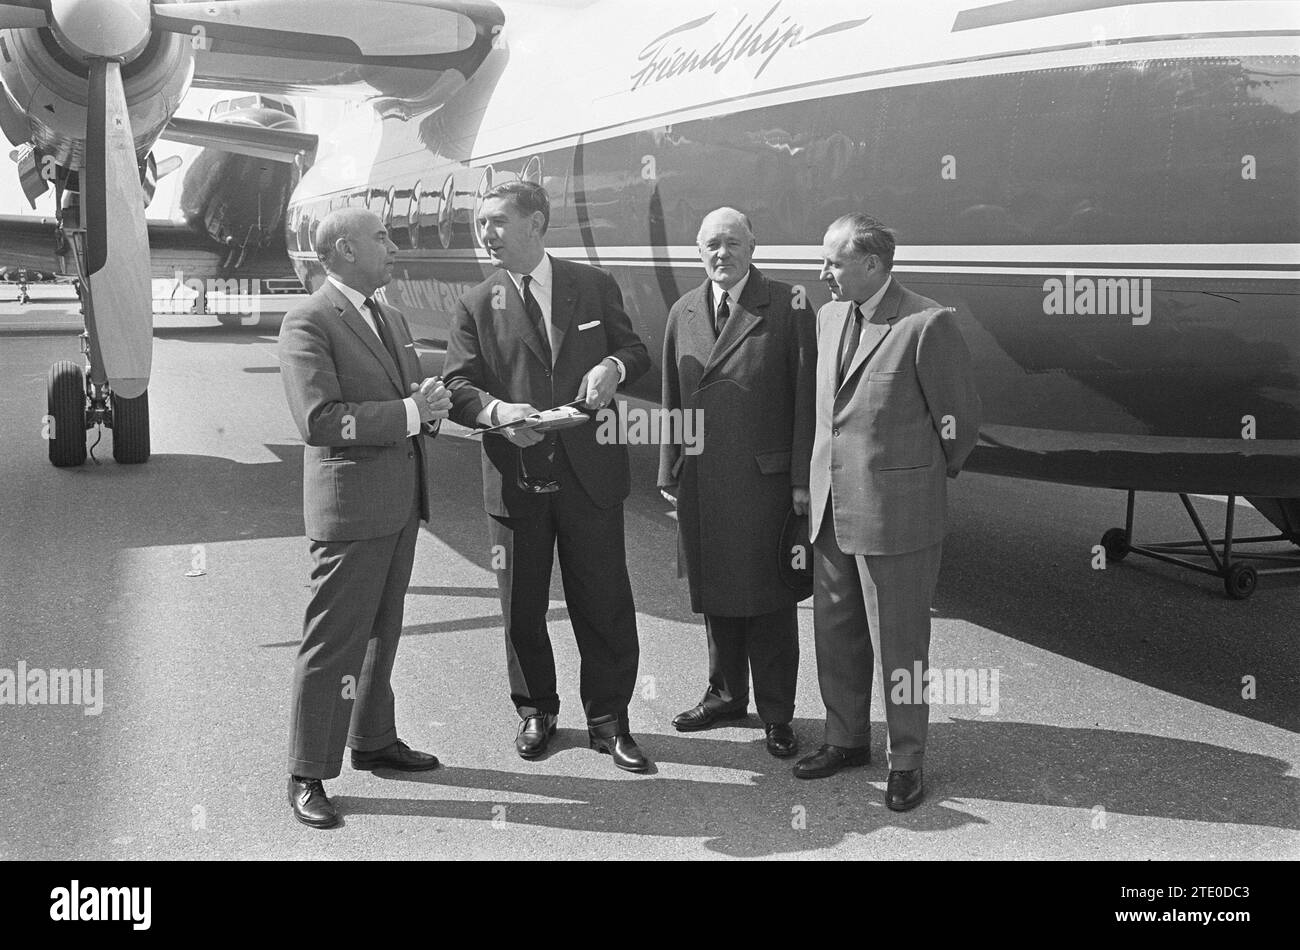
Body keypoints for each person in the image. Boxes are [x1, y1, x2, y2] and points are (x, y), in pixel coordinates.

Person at [443, 181, 653, 772]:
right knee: (522, 606)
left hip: (589, 478)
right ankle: (536, 710)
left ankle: (610, 720)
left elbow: (636, 351)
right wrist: (496, 413)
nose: (486, 234)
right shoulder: (476, 303)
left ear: (537, 224)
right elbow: (459, 386)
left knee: (603, 601)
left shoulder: (593, 285)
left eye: (497, 221)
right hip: (516, 479)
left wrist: (613, 366)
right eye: (482, 224)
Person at [797, 212, 981, 811]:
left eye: (833, 262)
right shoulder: (828, 318)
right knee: (836, 634)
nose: (821, 272)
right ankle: (846, 739)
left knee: (901, 643)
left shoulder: (926, 323)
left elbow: (960, 425)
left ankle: (908, 759)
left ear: (871, 264)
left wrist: (919, 480)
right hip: (831, 508)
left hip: (898, 514)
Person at [278, 207, 450, 828]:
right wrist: (408, 412)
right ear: (345, 250)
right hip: (351, 509)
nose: (393, 244)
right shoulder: (308, 320)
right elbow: (320, 421)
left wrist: (427, 408)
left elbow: (410, 403)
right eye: (382, 237)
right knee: (332, 644)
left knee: (383, 630)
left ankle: (373, 736)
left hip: (399, 502)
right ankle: (307, 772)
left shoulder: (391, 315)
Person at [658, 207, 815, 758]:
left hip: (766, 481)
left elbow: (807, 399)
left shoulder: (790, 305)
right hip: (703, 478)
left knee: (771, 598)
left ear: (753, 244)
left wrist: (802, 479)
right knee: (718, 591)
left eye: (730, 242)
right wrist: (669, 468)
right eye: (709, 246)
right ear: (698, 252)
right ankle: (725, 695)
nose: (720, 254)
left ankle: (777, 713)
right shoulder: (683, 310)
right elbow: (672, 398)